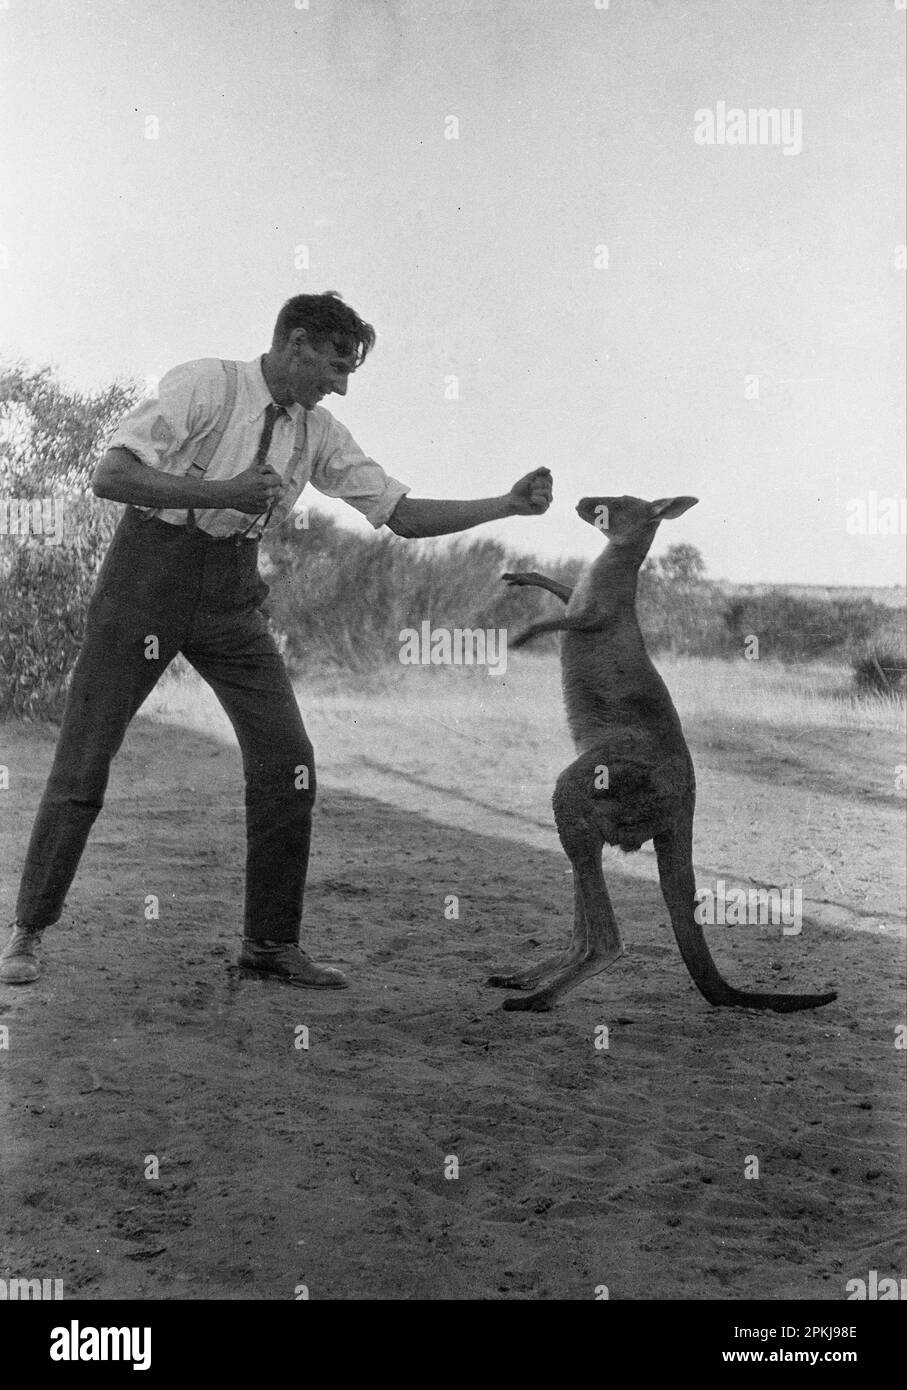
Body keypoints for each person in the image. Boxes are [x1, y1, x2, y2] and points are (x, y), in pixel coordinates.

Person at [1, 291, 553, 988]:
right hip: (145, 580)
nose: (341, 383)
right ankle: (27, 932)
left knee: (288, 762)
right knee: (86, 758)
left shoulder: (317, 430)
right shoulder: (207, 382)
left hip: (231, 597)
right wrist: (222, 491)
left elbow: (401, 514)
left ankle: (269, 944)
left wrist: (505, 504)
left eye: (349, 370)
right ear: (295, 343)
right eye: (335, 363)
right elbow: (110, 476)